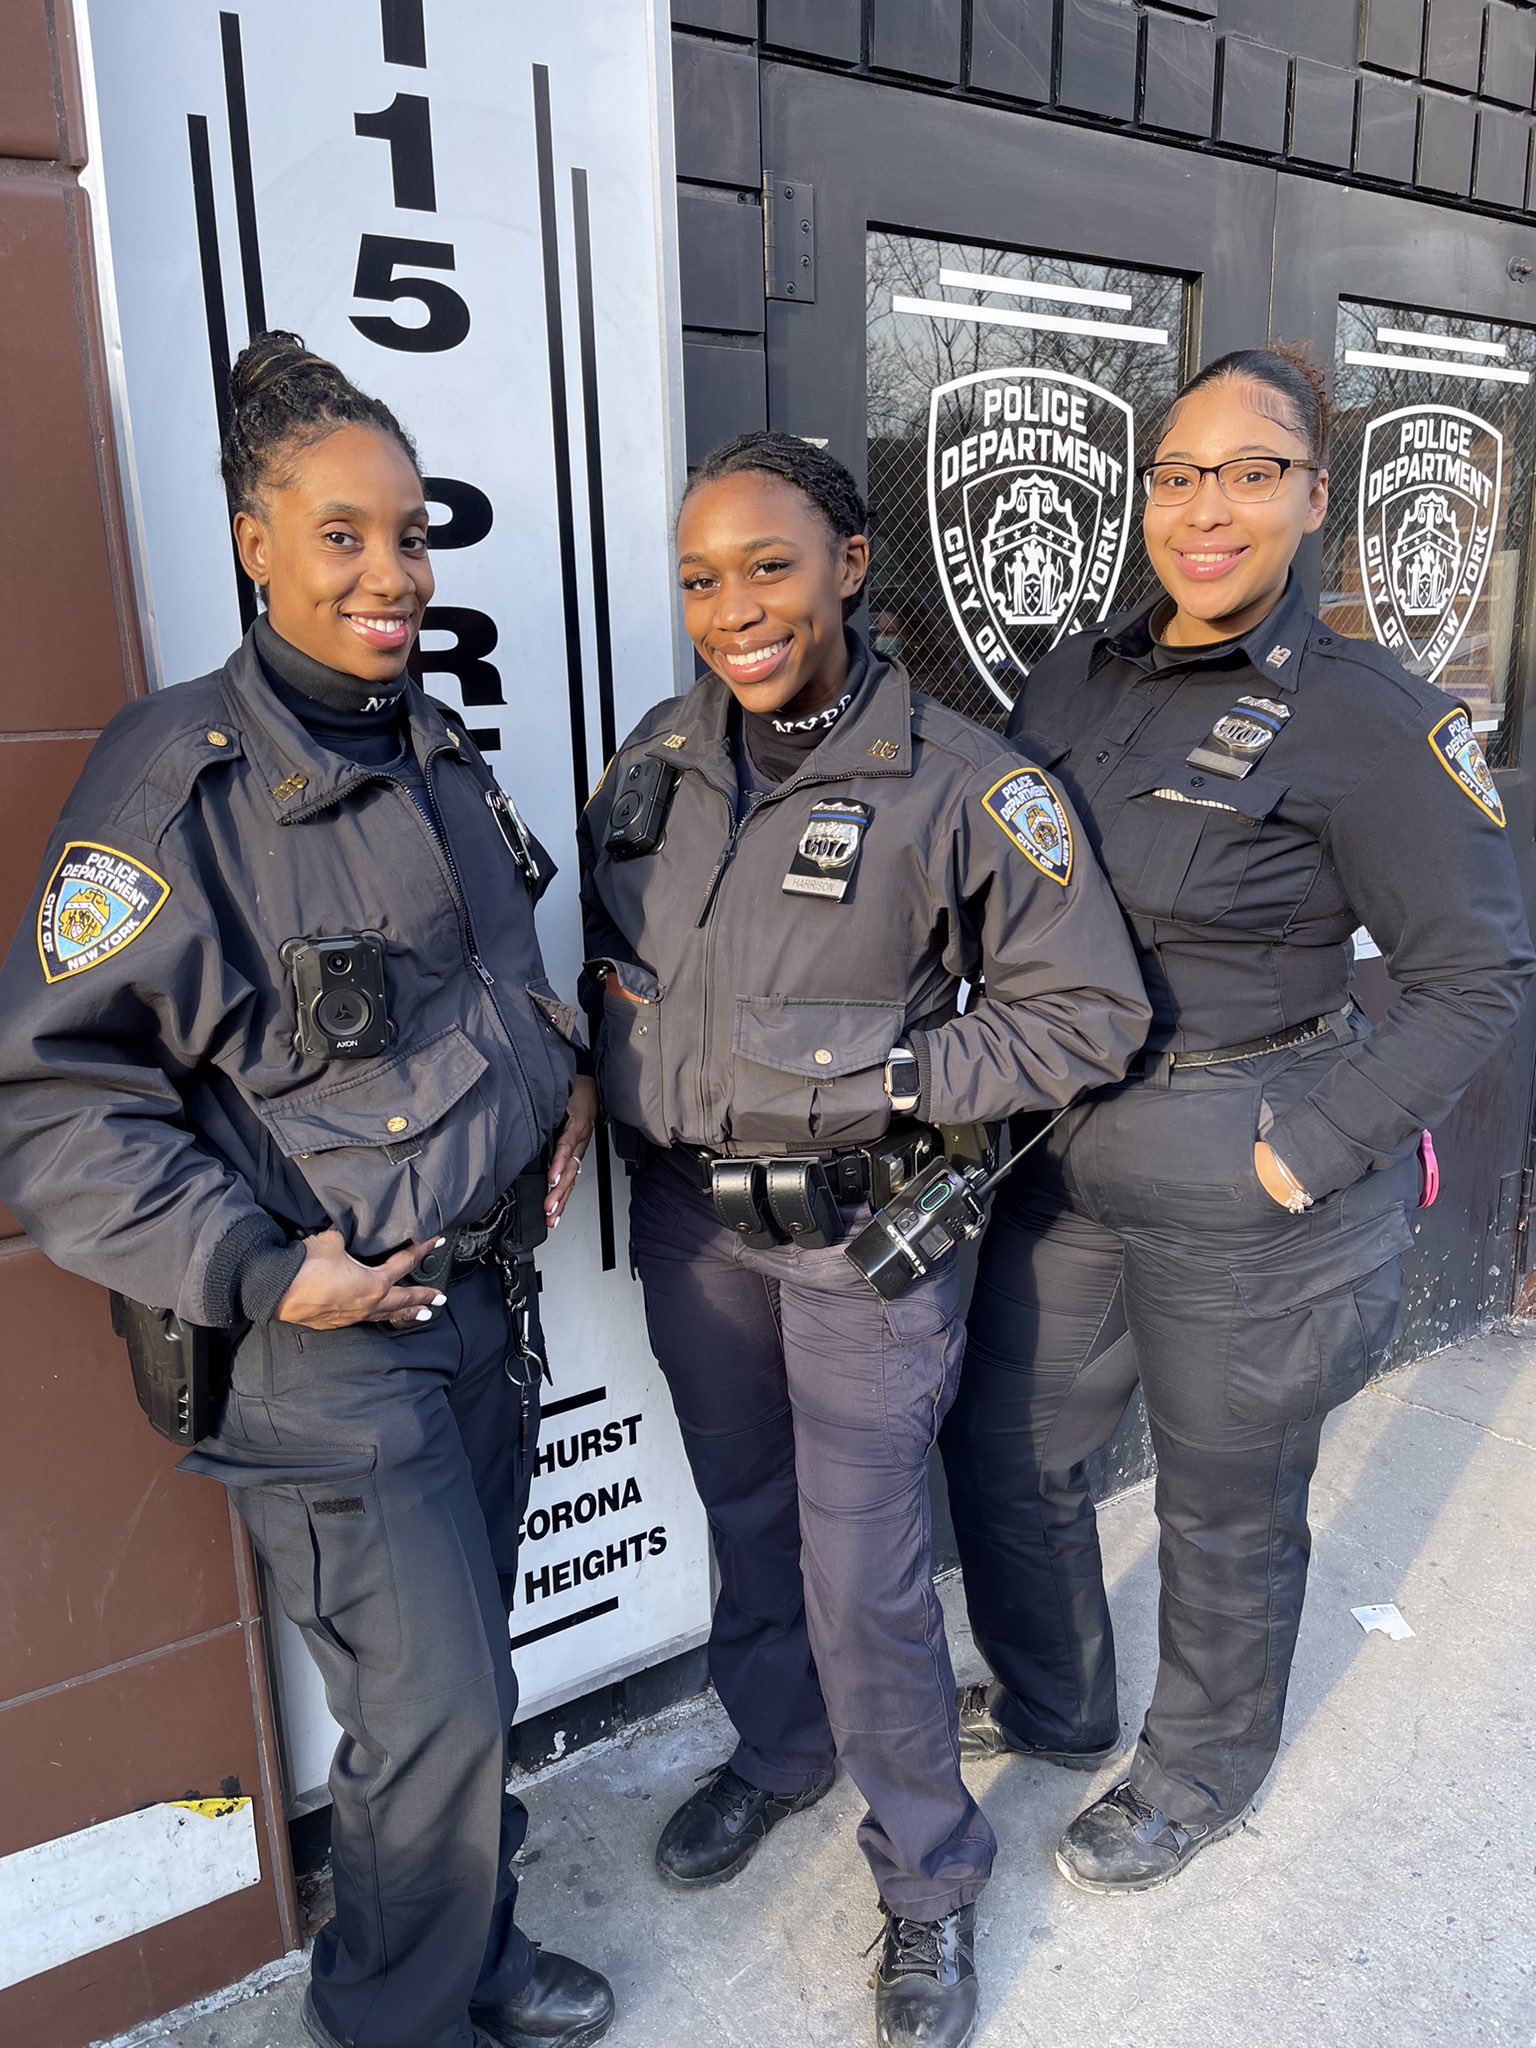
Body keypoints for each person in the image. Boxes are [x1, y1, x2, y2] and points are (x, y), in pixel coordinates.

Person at [0, 334, 614, 2048]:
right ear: (254, 543)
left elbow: (491, 988)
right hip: (331, 1357)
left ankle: (469, 1955)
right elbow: (55, 1109)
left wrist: (555, 1080)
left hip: (477, 1310)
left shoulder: (433, 746)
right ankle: (395, 2021)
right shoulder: (174, 784)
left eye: (411, 535)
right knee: (425, 1719)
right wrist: (269, 1275)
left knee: (455, 1694)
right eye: (342, 534)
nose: (391, 574)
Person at [942, 343, 1536, 1896]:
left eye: (1251, 473)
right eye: (1180, 473)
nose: (1208, 509)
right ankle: (1061, 1702)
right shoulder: (1077, 676)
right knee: (1014, 1447)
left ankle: (1199, 1766)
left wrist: (1308, 1145)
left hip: (1248, 1166)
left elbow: (1477, 979)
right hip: (1064, 1152)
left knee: (1224, 1498)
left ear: (1314, 497)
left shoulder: (1370, 718)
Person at [579, 432, 1149, 2046]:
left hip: (861, 1238)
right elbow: (626, 966)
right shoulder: (661, 758)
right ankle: (776, 1754)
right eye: (700, 578)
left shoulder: (969, 784)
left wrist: (889, 1073)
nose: (733, 610)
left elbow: (1089, 1014)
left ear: (849, 566)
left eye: (769, 567)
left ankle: (927, 1879)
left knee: (865, 1573)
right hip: (696, 1224)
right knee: (748, 1517)